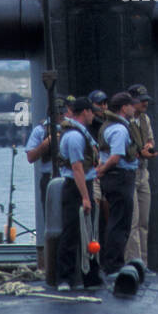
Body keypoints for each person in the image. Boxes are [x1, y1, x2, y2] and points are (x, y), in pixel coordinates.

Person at [56, 98, 101, 289]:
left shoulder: (80, 133)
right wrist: (85, 197)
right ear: (85, 112)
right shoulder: (75, 136)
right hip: (76, 188)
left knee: (89, 233)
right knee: (72, 232)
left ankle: (90, 277)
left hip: (83, 185)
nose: (94, 115)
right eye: (92, 112)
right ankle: (65, 278)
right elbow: (77, 168)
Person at [96, 91, 138, 276]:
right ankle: (114, 264)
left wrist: (102, 171)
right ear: (123, 108)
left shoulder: (109, 126)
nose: (134, 108)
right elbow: (115, 157)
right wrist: (102, 171)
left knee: (116, 220)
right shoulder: (120, 130)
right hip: (120, 177)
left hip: (113, 178)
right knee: (120, 222)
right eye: (131, 105)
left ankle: (112, 262)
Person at [26, 97, 69, 230]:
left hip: (69, 177)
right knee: (50, 218)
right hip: (49, 177)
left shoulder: (72, 128)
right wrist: (46, 144)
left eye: (62, 112)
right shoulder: (40, 130)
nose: (60, 116)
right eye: (58, 113)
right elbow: (30, 157)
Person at [125, 84, 155, 269]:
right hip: (129, 173)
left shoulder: (145, 119)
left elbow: (150, 139)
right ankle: (133, 262)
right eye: (142, 100)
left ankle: (143, 263)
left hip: (143, 173)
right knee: (133, 222)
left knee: (144, 222)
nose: (145, 103)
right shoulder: (123, 122)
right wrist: (139, 152)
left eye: (146, 100)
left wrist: (148, 147)